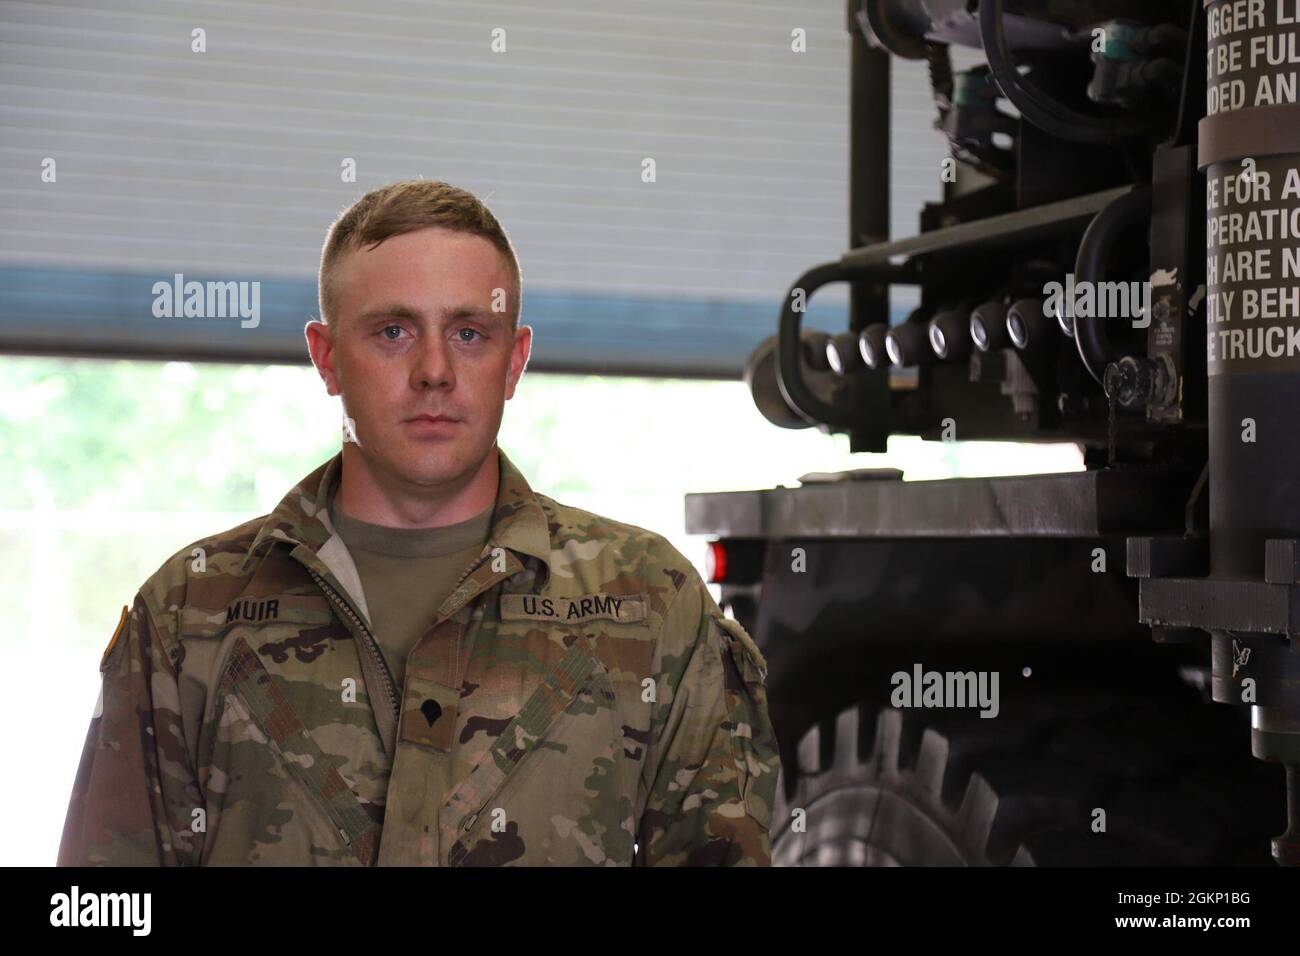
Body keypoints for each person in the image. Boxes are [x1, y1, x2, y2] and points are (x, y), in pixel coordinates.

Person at [57, 179, 780, 866]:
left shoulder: (650, 603)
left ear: (515, 361)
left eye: (470, 333)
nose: (435, 370)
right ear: (327, 356)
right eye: (394, 331)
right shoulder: (192, 613)